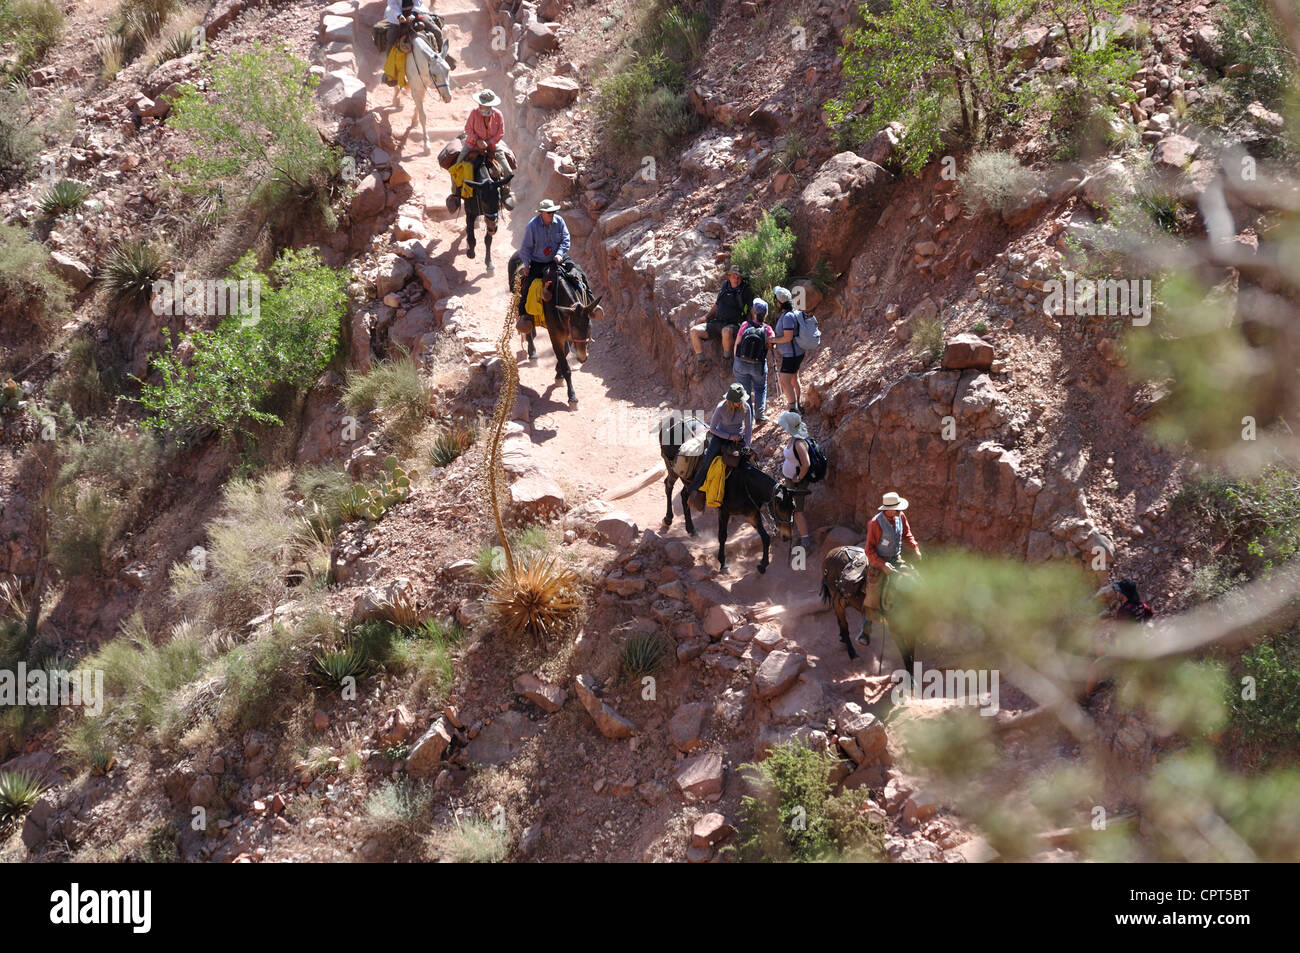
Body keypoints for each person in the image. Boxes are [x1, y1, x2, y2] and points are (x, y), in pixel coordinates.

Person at [859, 491, 922, 644]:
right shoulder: (875, 523)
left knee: (917, 581)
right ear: (887, 508)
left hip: (896, 558)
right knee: (873, 594)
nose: (898, 510)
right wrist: (882, 564)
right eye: (895, 508)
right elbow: (869, 550)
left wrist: (915, 548)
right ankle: (865, 631)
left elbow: (907, 534)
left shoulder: (900, 517)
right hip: (879, 561)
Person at [1080, 579, 1155, 704]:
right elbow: (1150, 614)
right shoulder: (1141, 606)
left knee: (1095, 665)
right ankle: (1113, 676)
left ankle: (1086, 696)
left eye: (1118, 591)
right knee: (1101, 646)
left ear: (1123, 593)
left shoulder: (1124, 611)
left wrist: (1108, 638)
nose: (1116, 593)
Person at [682, 382, 754, 506]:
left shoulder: (746, 407)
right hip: (720, 437)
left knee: (750, 462)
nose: (740, 403)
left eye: (742, 400)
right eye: (738, 401)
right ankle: (695, 490)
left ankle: (752, 494)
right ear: (731, 400)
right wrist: (730, 436)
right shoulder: (721, 407)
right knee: (707, 461)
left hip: (738, 438)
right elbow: (713, 429)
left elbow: (748, 428)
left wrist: (747, 445)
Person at [690, 266, 754, 367]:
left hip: (734, 325)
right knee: (694, 331)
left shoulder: (746, 291)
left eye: (739, 277)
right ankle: (702, 363)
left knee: (726, 331)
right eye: (734, 276)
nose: (736, 279)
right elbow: (717, 304)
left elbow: (752, 309)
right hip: (717, 322)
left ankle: (726, 361)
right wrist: (705, 317)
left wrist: (755, 325)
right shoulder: (725, 286)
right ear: (729, 277)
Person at [517, 199, 570, 321]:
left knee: (577, 274)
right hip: (538, 262)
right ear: (541, 212)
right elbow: (525, 248)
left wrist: (560, 254)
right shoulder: (532, 226)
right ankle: (523, 314)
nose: (552, 214)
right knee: (526, 286)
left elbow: (566, 239)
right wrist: (527, 265)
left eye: (553, 211)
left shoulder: (560, 221)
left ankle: (588, 300)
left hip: (556, 260)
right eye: (548, 212)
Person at [776, 411, 814, 554]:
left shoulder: (799, 443)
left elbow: (806, 464)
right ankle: (790, 532)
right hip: (790, 480)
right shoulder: (793, 438)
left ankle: (806, 542)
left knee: (798, 511)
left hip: (797, 483)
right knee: (789, 507)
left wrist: (799, 478)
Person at [732, 298, 775, 424]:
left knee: (744, 391)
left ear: (754, 312)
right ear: (766, 314)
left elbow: (737, 344)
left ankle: (748, 418)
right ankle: (760, 416)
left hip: (741, 363)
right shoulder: (767, 329)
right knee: (760, 388)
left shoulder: (745, 325)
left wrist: (736, 361)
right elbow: (772, 345)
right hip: (758, 365)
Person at [770, 285, 805, 416]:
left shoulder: (787, 317)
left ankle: (793, 409)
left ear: (779, 303)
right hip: (797, 352)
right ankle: (799, 404)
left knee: (785, 381)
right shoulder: (794, 312)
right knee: (794, 379)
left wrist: (772, 340)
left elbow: (787, 337)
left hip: (792, 354)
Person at [383, 0, 435, 86]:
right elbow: (392, 4)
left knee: (436, 31)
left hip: (415, 13)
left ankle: (441, 58)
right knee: (390, 40)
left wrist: (413, 15)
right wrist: (399, 15)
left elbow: (418, 2)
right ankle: (391, 73)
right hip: (397, 16)